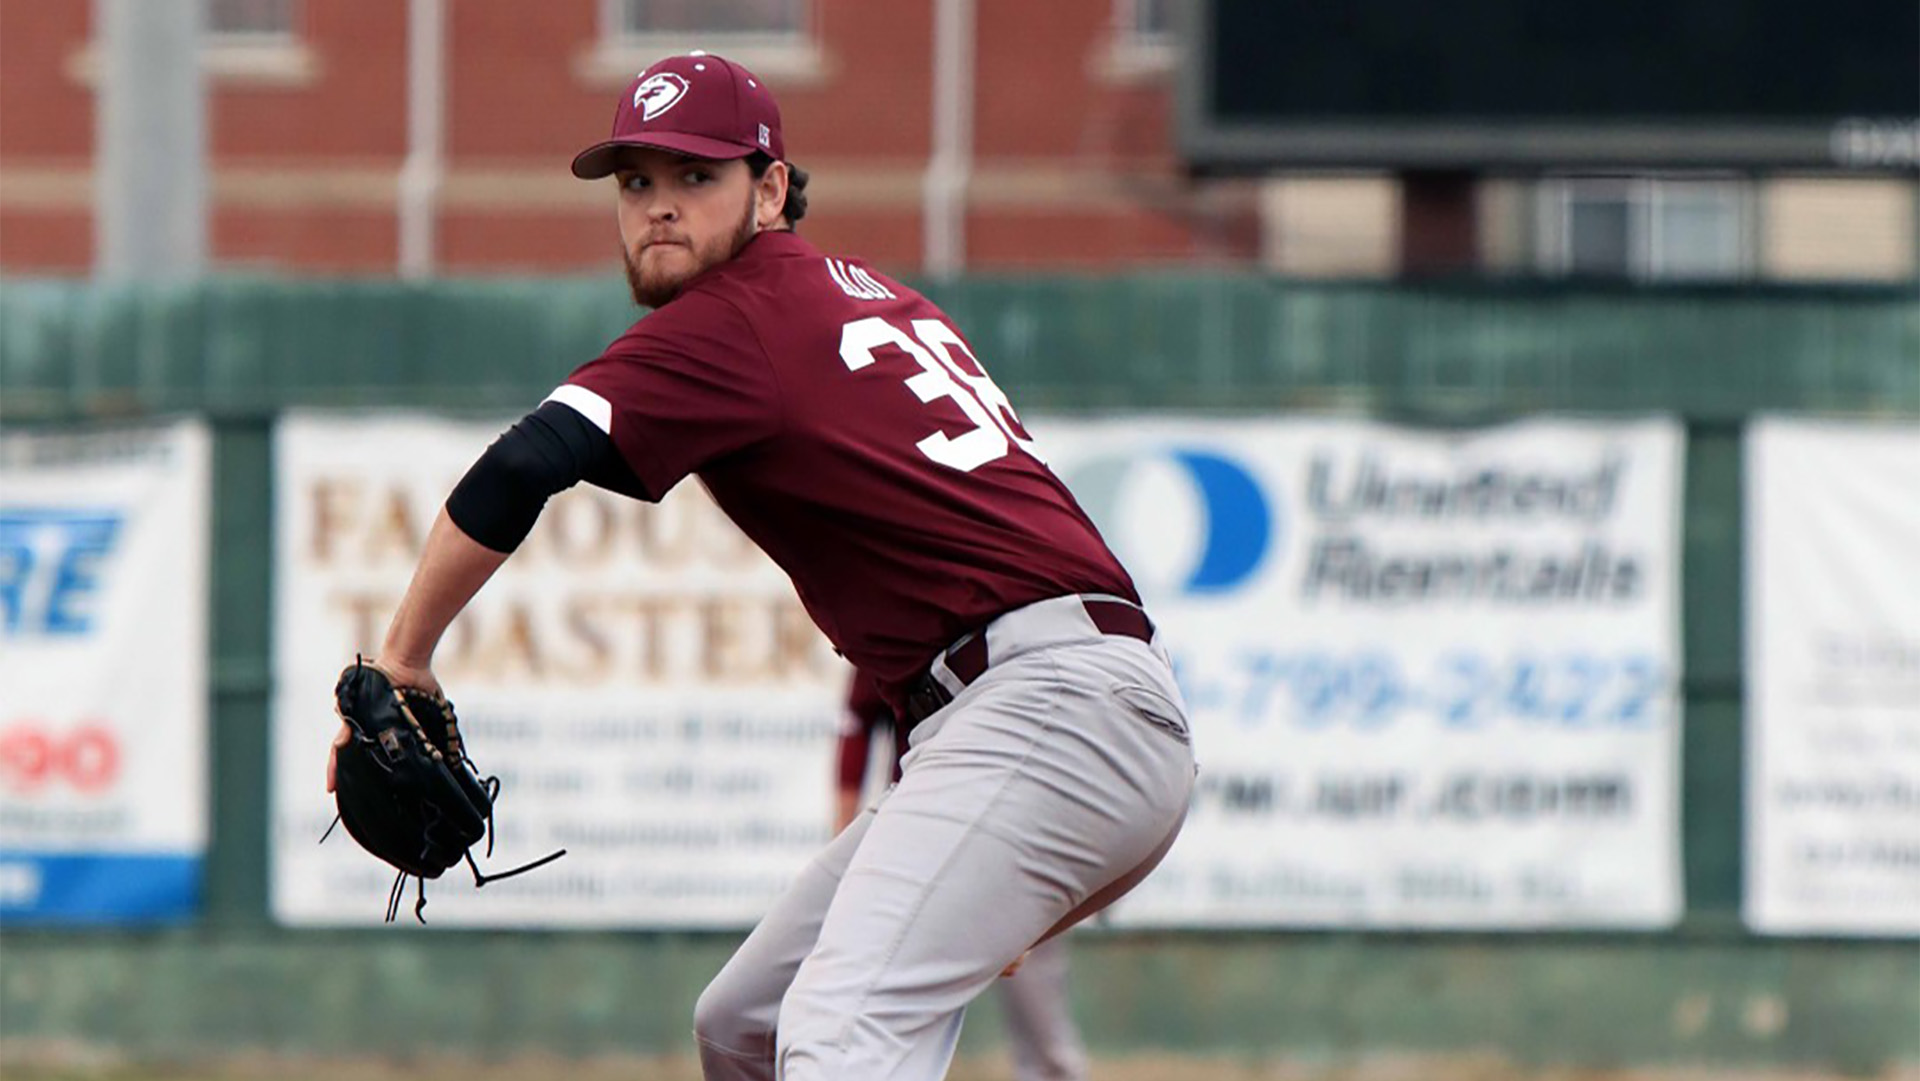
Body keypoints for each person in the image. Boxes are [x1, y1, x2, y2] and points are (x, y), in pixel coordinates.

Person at [325, 51, 1195, 1081]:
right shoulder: (875, 298)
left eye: (697, 178)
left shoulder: (735, 317)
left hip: (1045, 712)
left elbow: (526, 461)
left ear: (771, 188)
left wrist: (405, 659)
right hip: (1052, 715)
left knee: (837, 1029)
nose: (658, 208)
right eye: (637, 181)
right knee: (745, 1021)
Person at [837, 670, 1090, 1081]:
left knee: (1039, 1018)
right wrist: (843, 848)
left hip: (1016, 832)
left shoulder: (1024, 628)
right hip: (921, 838)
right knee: (886, 1004)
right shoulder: (898, 624)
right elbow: (858, 725)